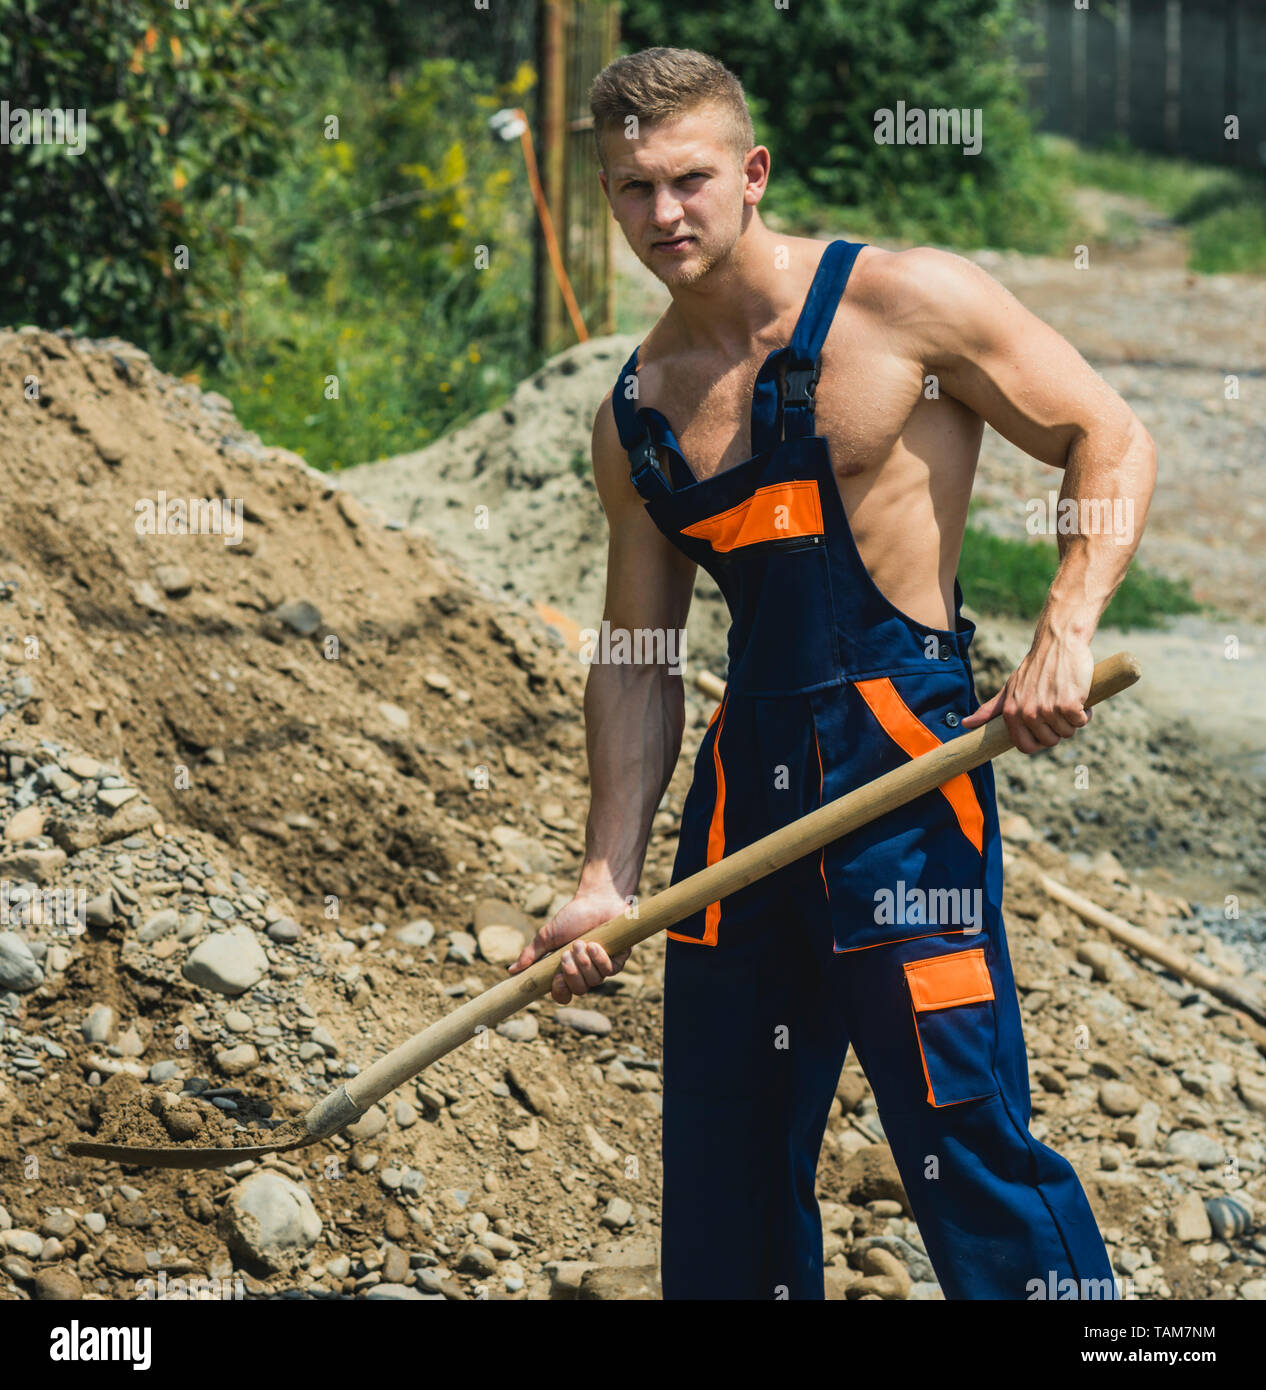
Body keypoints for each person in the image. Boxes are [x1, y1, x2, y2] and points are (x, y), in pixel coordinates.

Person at [509, 45, 1156, 1300]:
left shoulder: (906, 305)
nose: (665, 215)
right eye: (633, 189)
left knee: (965, 1142)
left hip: (904, 789)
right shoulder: (636, 410)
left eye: (689, 179)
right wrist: (604, 876)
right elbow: (640, 657)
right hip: (741, 809)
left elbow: (1106, 436)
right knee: (723, 1174)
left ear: (751, 172)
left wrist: (1065, 625)